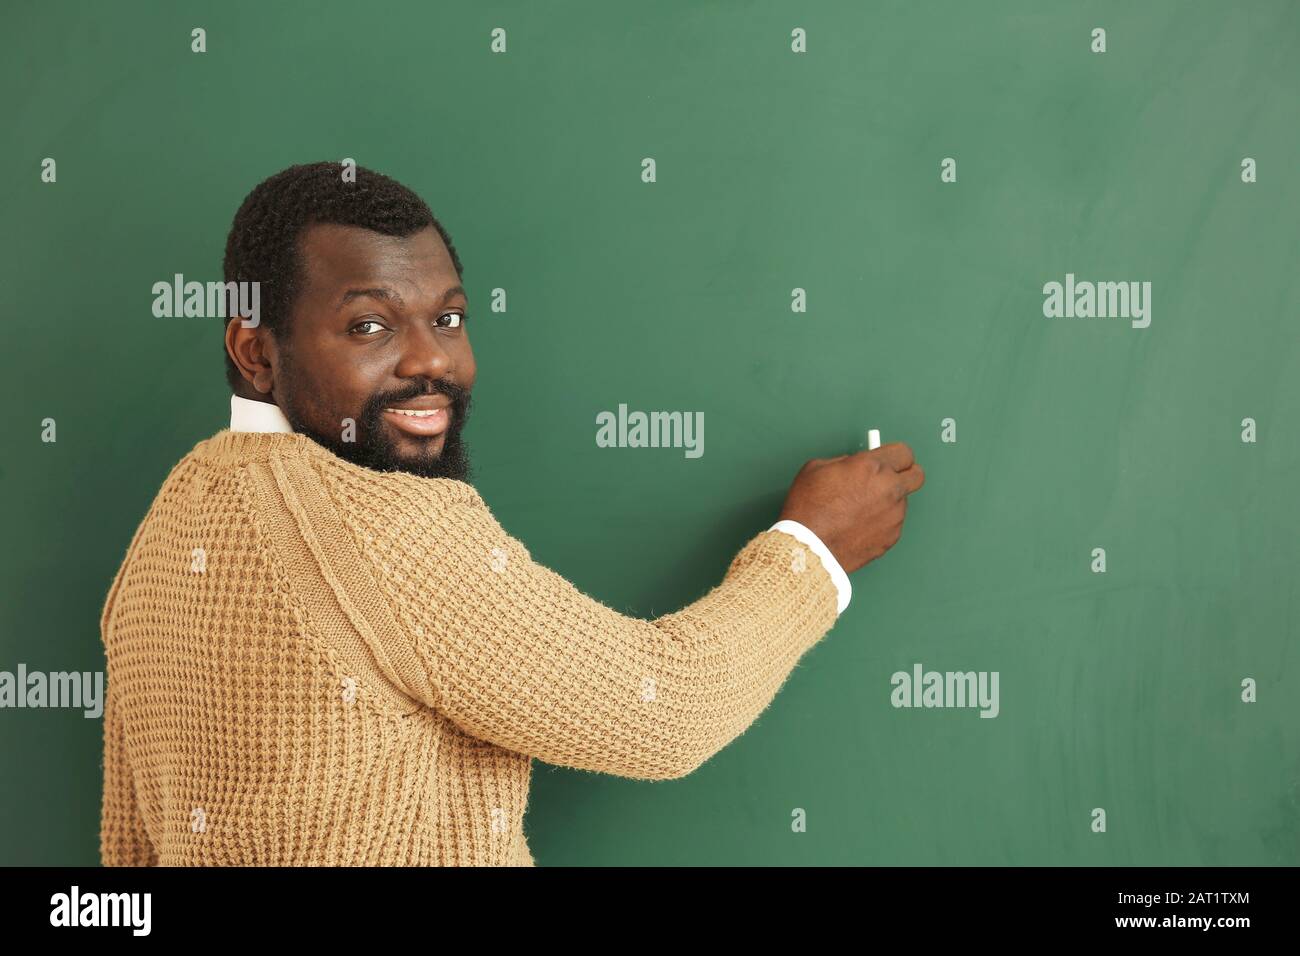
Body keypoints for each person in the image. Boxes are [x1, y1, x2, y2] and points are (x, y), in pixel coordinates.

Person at [99, 161, 925, 866]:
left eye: (448, 318)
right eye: (370, 325)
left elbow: (129, 859)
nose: (430, 360)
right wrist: (813, 549)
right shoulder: (382, 528)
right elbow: (667, 709)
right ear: (256, 351)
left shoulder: (165, 536)